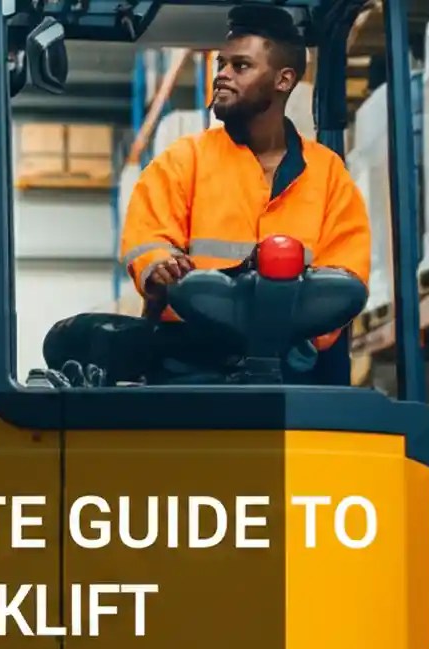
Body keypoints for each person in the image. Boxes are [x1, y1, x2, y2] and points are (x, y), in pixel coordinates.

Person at [119, 5, 371, 384]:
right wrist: (160, 267)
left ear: (283, 80)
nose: (221, 75)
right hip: (192, 366)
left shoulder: (328, 174)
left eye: (240, 66)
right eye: (221, 64)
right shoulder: (182, 161)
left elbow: (345, 277)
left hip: (292, 369)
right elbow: (148, 240)